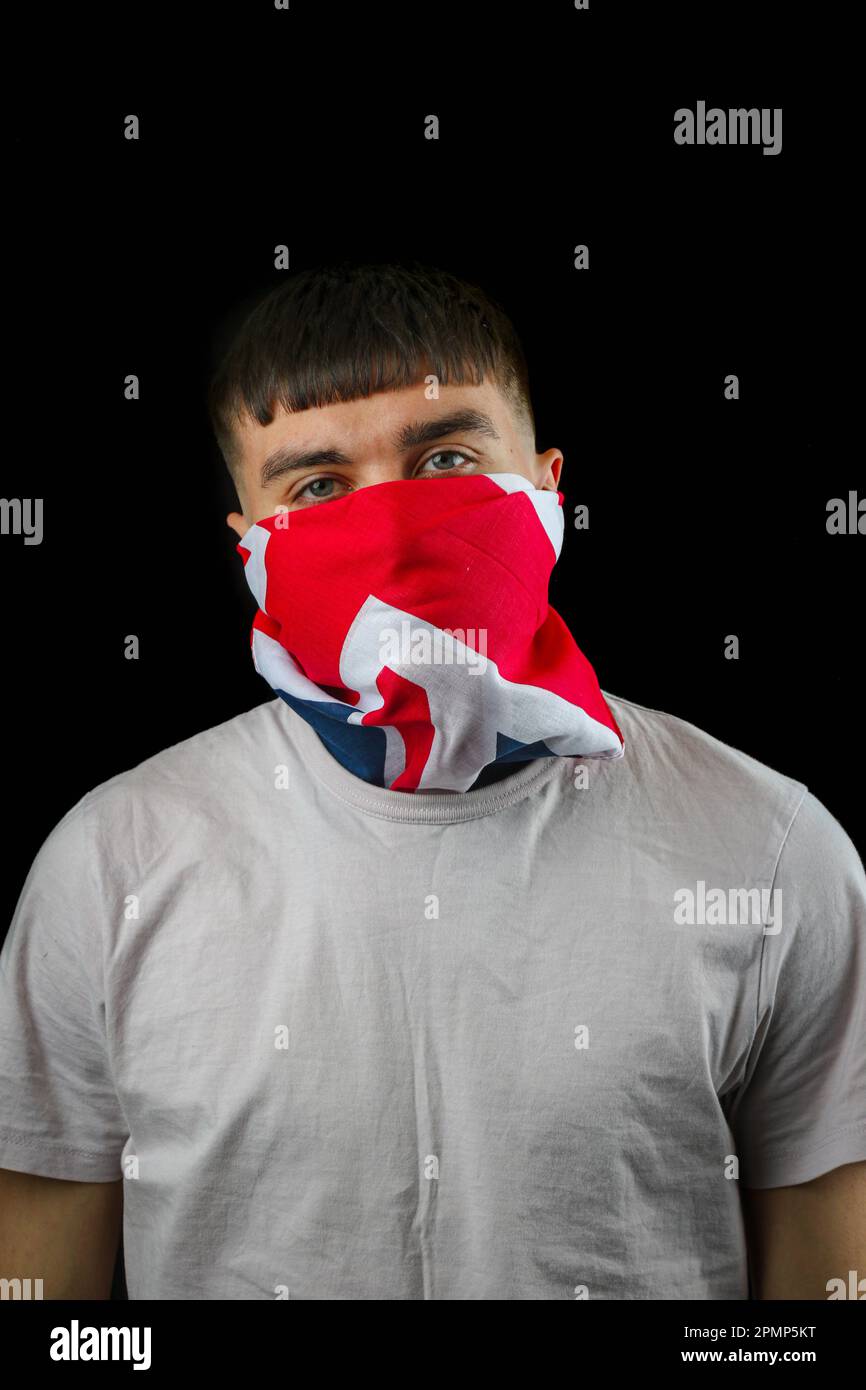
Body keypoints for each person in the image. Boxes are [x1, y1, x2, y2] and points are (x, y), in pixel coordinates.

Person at [1, 261, 864, 1301]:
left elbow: (817, 1298)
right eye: (317, 487)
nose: (397, 527)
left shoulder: (768, 847)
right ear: (248, 547)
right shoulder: (110, 864)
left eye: (445, 456)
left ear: (548, 484)